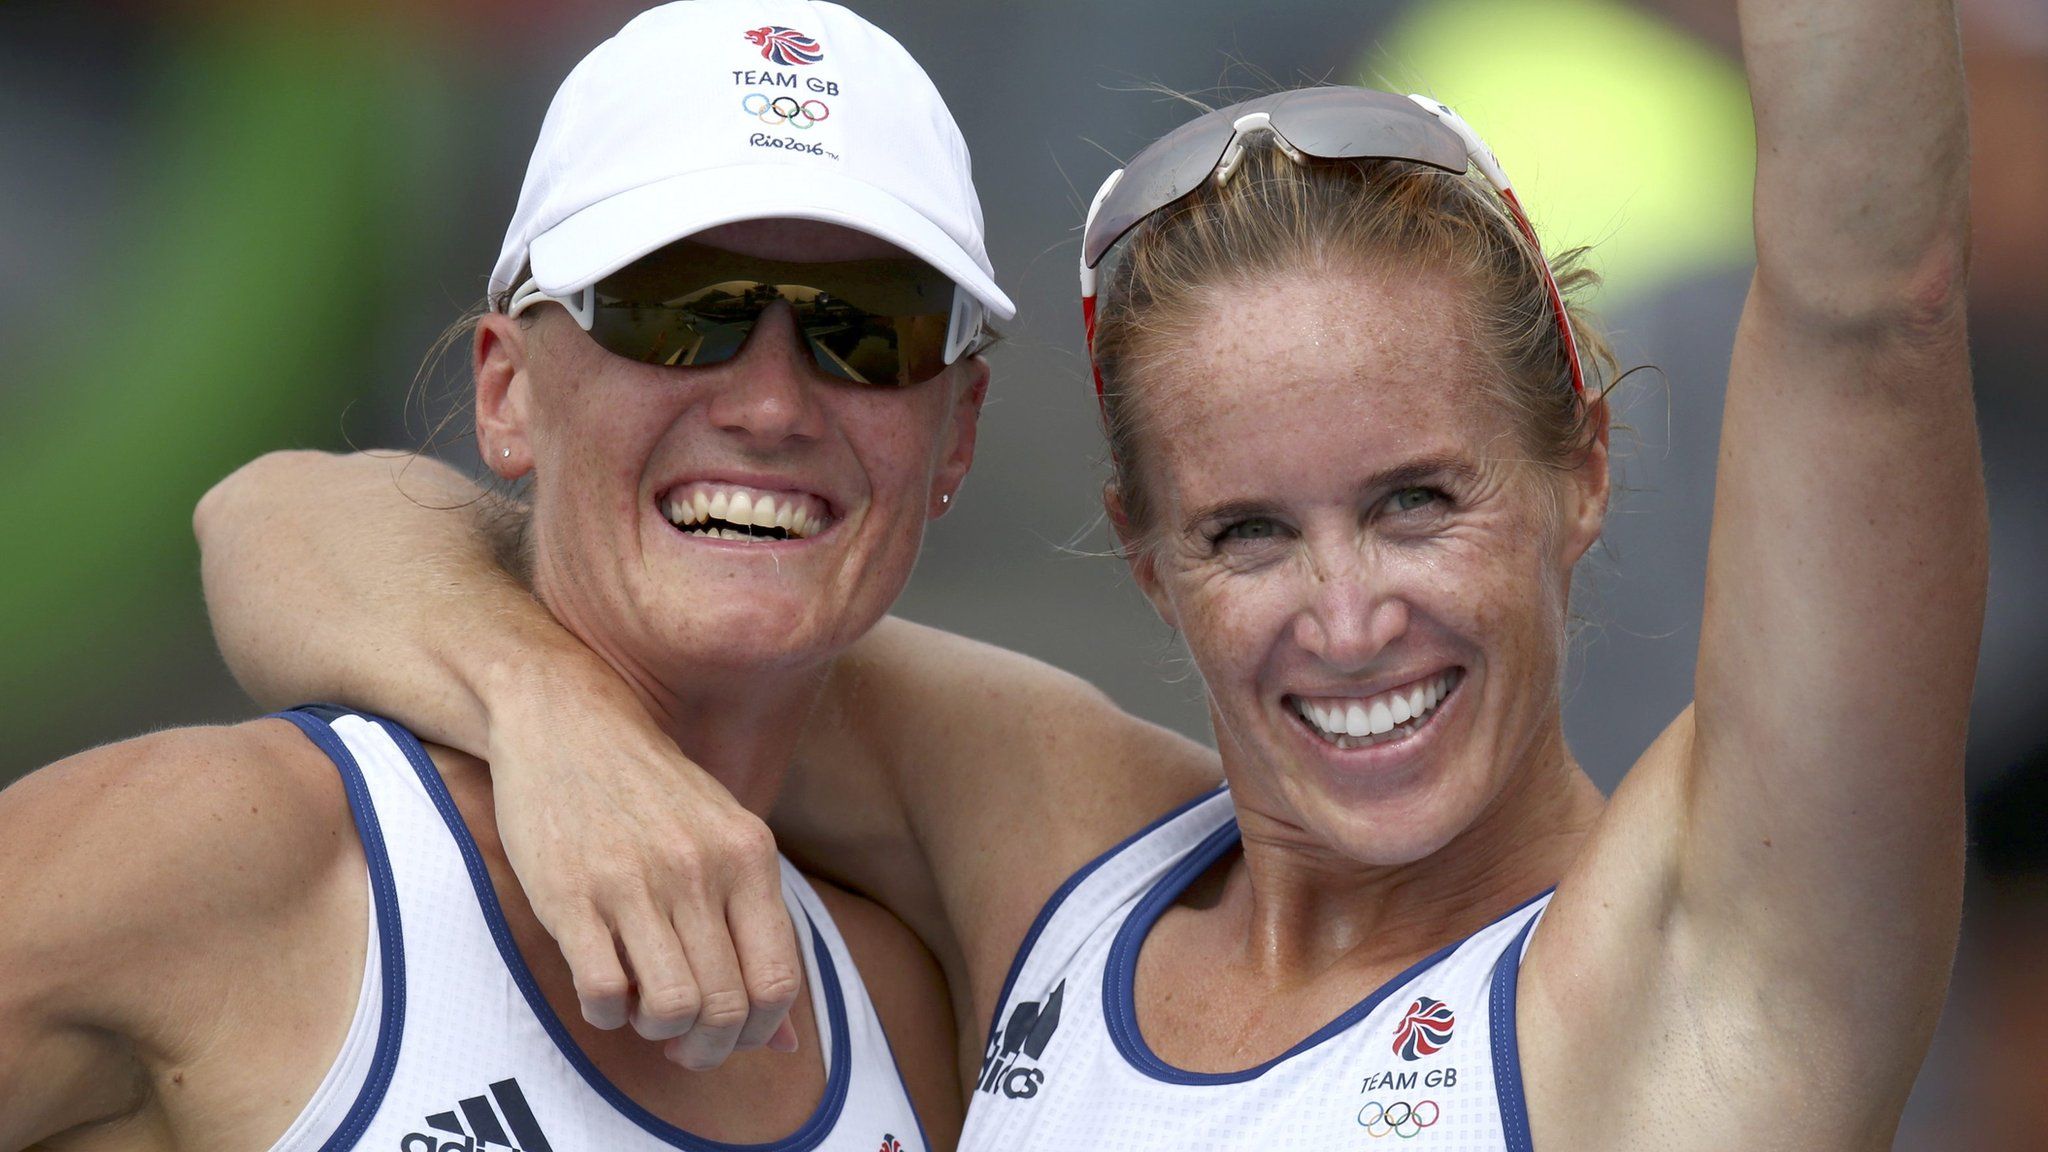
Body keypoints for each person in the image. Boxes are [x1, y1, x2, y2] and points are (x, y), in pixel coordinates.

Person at [196, 0, 1981, 1145]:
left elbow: (1871, 309)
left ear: (1580, 461)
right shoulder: (1060, 850)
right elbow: (289, 520)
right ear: (1144, 555)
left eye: (1417, 503)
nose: (1349, 615)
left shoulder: (1694, 965)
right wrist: (554, 722)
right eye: (1246, 532)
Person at [0, 1, 1027, 1147]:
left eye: (869, 330)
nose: (772, 406)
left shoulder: (908, 1013)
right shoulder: (220, 851)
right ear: (506, 393)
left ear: (956, 435)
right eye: (675, 314)